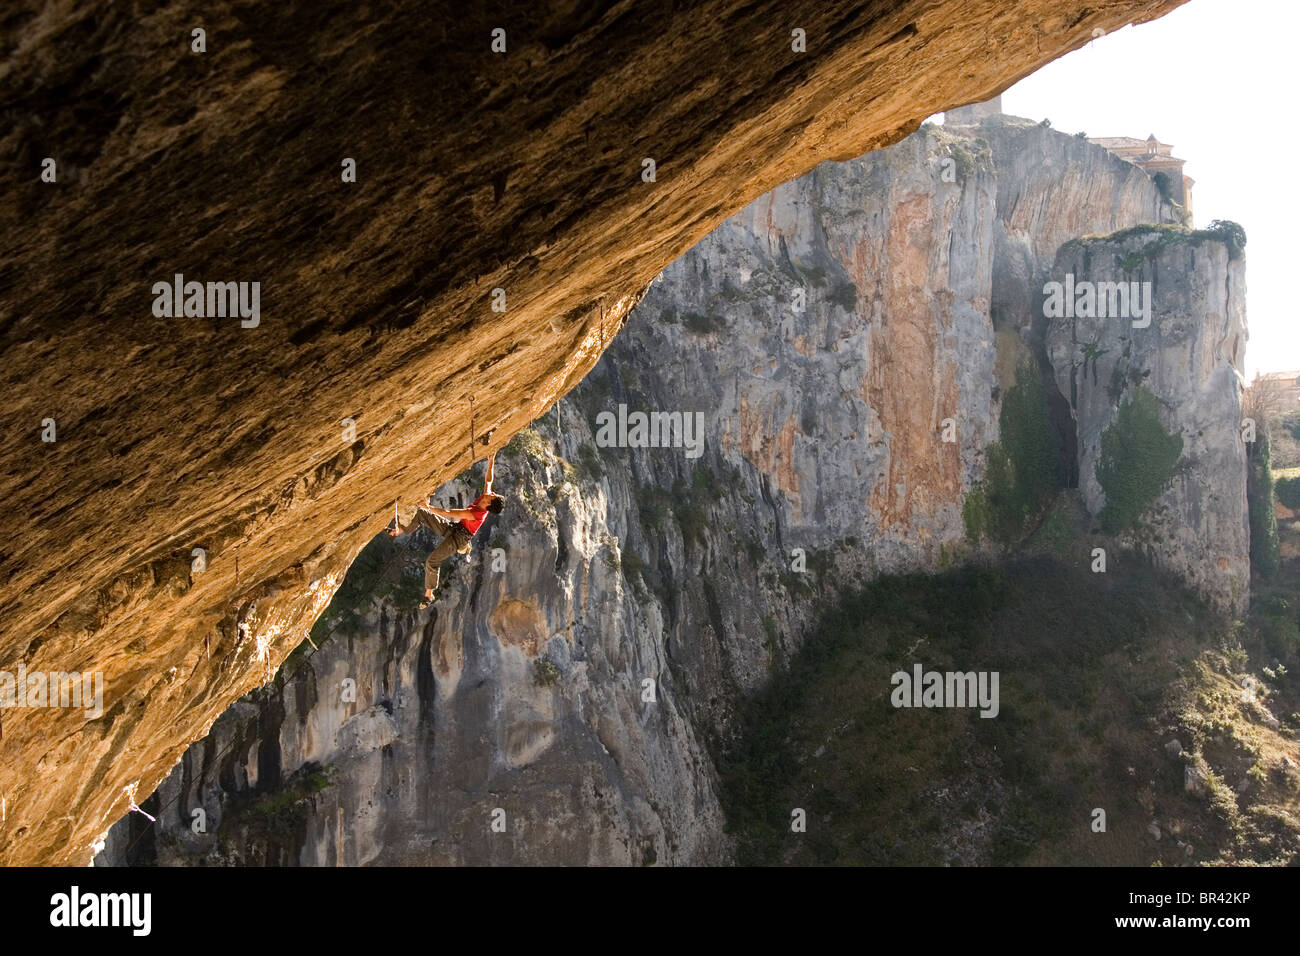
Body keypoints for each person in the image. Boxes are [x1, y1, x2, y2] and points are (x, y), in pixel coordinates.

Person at [390, 452, 503, 607]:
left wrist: (429, 507)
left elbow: (449, 513)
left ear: (489, 504)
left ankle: (429, 594)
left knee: (432, 560)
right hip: (456, 527)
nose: (492, 493)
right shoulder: (485, 498)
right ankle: (400, 530)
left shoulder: (476, 514)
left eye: (493, 496)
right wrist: (492, 459)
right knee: (421, 514)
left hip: (459, 538)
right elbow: (489, 480)